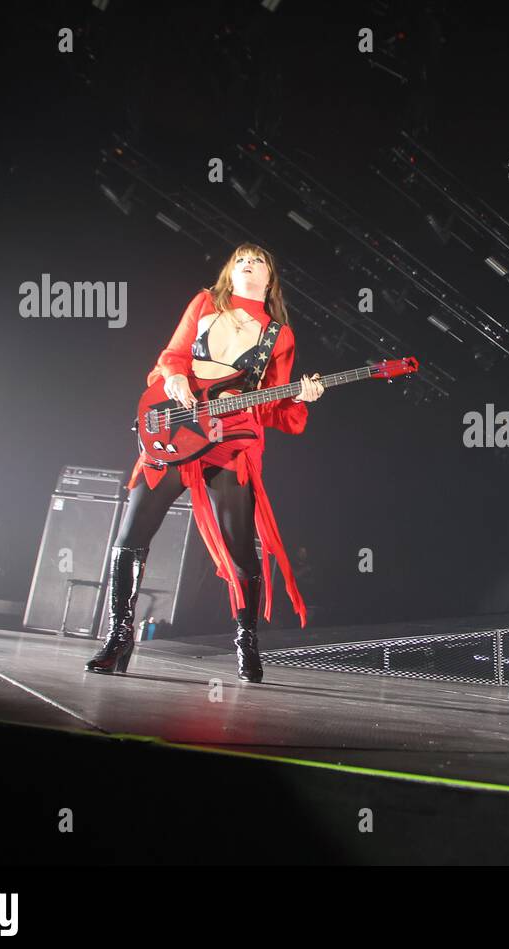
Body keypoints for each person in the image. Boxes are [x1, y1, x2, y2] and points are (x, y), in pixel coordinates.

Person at [86, 243, 324, 681]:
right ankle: (119, 636)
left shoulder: (280, 336)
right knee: (132, 530)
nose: (248, 264)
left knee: (239, 545)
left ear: (269, 279)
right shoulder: (203, 303)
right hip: (178, 428)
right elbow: (172, 355)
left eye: (258, 261)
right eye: (241, 259)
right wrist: (176, 377)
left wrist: (300, 397)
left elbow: (272, 406)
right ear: (229, 271)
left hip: (231, 440)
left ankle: (246, 640)